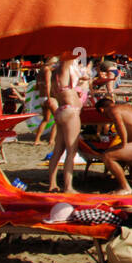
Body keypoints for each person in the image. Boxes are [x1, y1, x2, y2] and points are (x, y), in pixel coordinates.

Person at [46, 53, 88, 194]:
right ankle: (68, 187)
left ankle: (52, 184)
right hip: (70, 111)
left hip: (61, 111)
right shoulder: (64, 69)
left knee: (58, 151)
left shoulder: (54, 75)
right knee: (71, 151)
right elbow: (68, 59)